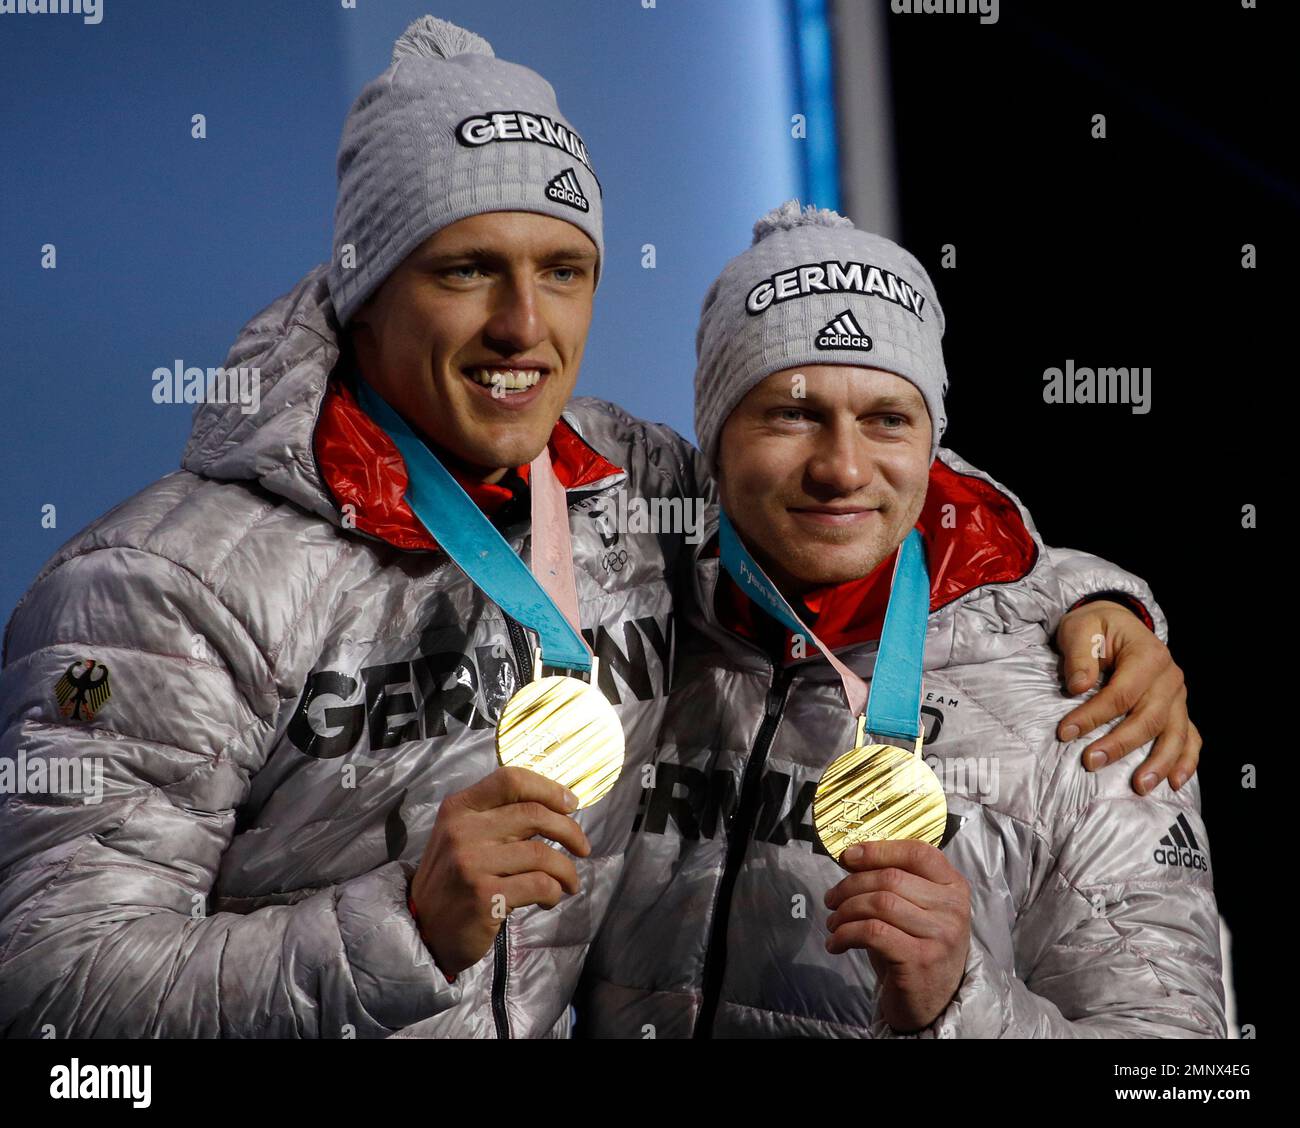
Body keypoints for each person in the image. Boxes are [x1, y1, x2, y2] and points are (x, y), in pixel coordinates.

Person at [0, 19, 1191, 1040]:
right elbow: (49, 996)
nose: (524, 325)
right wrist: (398, 930)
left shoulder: (626, 492)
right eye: (468, 269)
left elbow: (838, 487)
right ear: (365, 286)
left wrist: (1088, 604)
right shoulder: (155, 584)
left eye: (564, 270)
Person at [577, 201, 1224, 1038]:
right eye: (794, 413)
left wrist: (963, 1006)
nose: (842, 468)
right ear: (716, 437)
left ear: (932, 442)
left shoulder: (1091, 713)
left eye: (887, 419)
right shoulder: (637, 613)